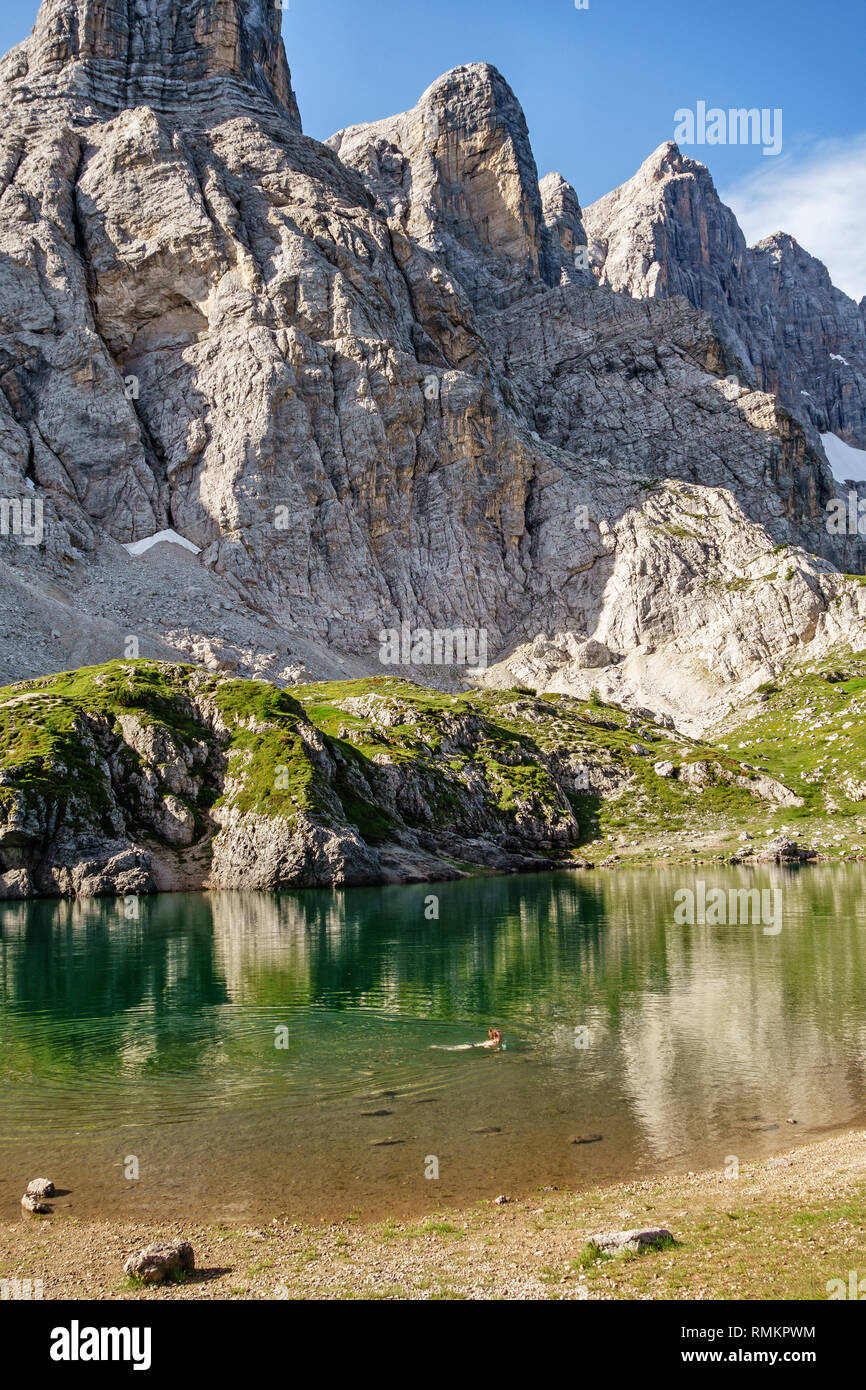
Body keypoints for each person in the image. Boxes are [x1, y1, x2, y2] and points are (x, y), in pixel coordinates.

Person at [431, 1028, 504, 1052]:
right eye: (500, 1036)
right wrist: (494, 1050)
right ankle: (436, 1047)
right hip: (471, 1046)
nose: (502, 1037)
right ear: (495, 1037)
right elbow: (486, 1046)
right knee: (452, 1048)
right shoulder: (492, 1042)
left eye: (501, 1036)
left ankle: (437, 1046)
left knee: (453, 1047)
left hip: (471, 1045)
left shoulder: (495, 1041)